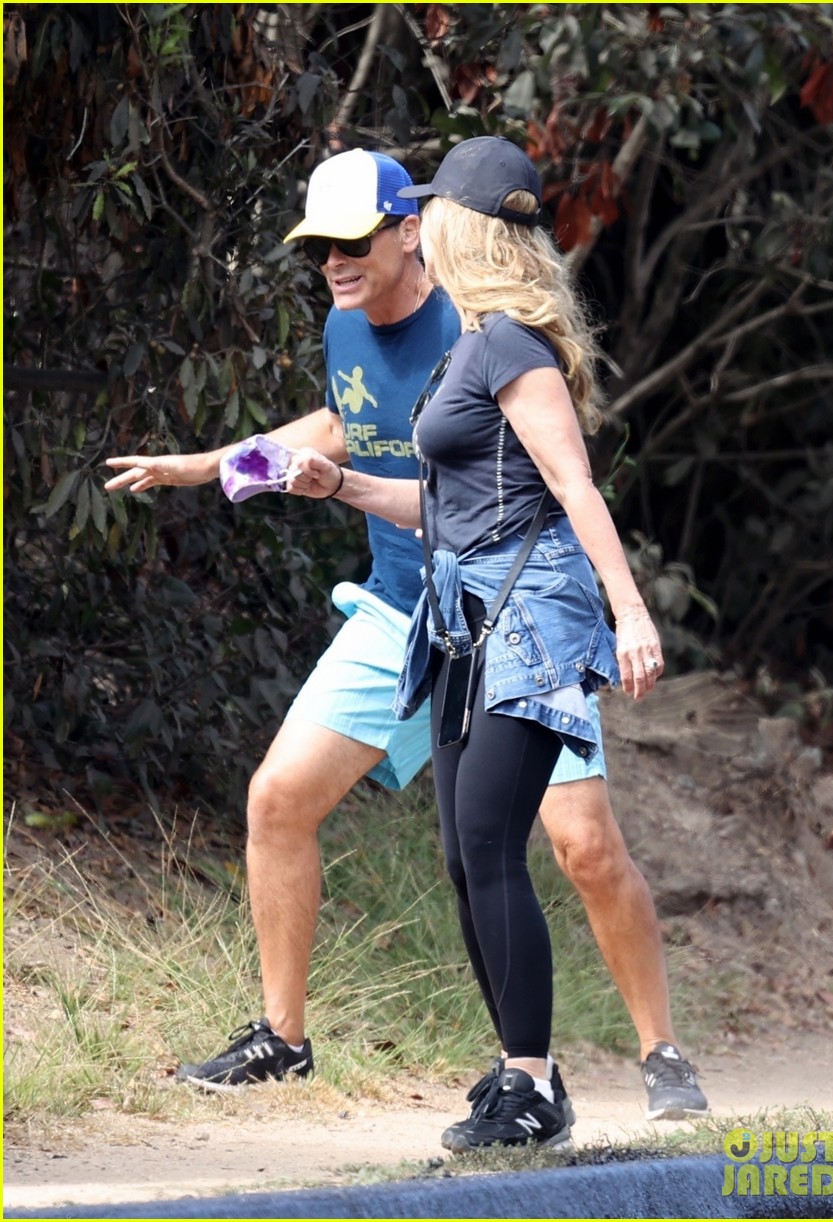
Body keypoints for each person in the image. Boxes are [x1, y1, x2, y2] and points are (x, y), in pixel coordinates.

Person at [104, 147, 707, 1138]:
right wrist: (209, 466)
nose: (334, 261)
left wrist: (625, 607)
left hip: (516, 607)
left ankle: (658, 1051)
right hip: (408, 608)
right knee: (280, 798)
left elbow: (561, 477)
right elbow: (339, 429)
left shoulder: (474, 325)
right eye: (319, 247)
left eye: (351, 242)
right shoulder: (347, 325)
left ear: (407, 232)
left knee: (583, 847)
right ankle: (285, 1039)